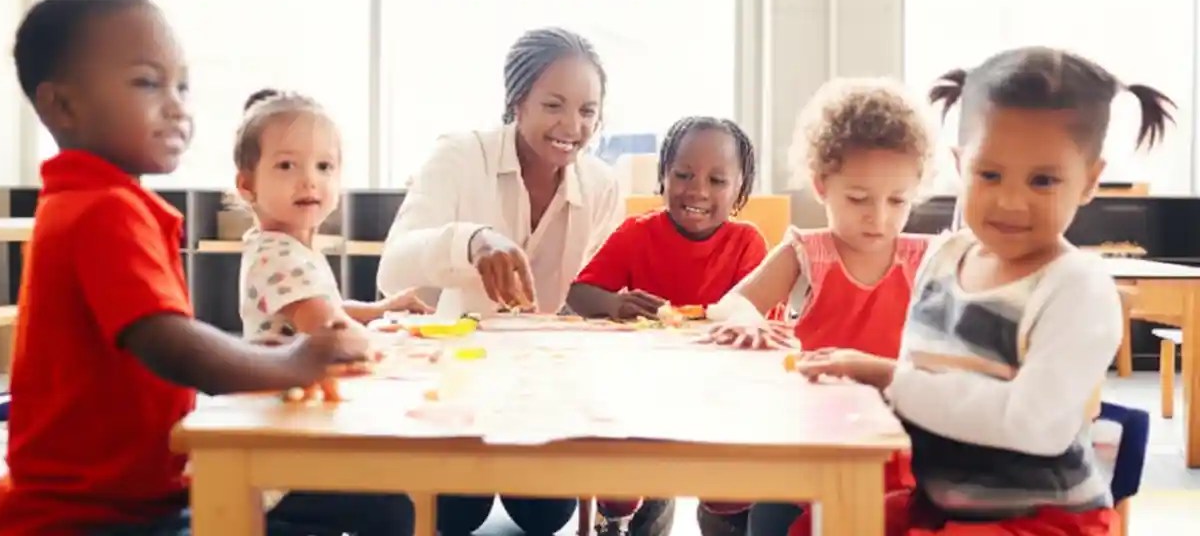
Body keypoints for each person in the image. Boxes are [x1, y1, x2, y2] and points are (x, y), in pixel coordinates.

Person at [0, 0, 414, 536]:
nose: (176, 106)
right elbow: (170, 344)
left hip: (141, 495)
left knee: (375, 508)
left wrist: (269, 356)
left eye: (181, 85)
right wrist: (296, 361)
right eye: (147, 82)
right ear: (63, 105)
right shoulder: (102, 210)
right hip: (91, 518)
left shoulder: (99, 201)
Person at [794, 47, 1174, 536]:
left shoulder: (1075, 287)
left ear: (1089, 181)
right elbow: (922, 388)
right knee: (818, 524)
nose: (1011, 200)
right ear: (960, 165)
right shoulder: (945, 257)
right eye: (989, 174)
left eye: (1043, 180)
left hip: (1039, 520)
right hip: (940, 502)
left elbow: (1032, 425)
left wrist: (884, 377)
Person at [377, 27, 623, 534]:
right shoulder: (460, 157)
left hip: (544, 387)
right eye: (553, 105)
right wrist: (472, 241)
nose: (571, 126)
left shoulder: (600, 185)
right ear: (518, 102)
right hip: (457, 378)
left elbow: (589, 292)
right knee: (453, 514)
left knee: (546, 515)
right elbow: (393, 269)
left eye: (587, 111)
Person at [704, 78, 938, 536]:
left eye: (898, 201)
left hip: (895, 450)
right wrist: (749, 320)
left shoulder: (928, 259)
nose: (879, 217)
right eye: (858, 198)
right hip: (804, 446)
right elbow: (731, 304)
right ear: (821, 185)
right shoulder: (807, 252)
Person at [567, 115, 764, 536]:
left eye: (717, 180)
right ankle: (619, 519)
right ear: (663, 177)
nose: (697, 190)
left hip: (720, 392)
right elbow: (579, 293)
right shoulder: (637, 233)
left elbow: (758, 317)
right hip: (642, 388)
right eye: (683, 174)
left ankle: (722, 519)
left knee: (727, 491)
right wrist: (616, 304)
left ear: (740, 190)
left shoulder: (747, 243)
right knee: (633, 479)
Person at [234, 88, 430, 350]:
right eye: (286, 165)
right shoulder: (277, 257)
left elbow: (326, 308)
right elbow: (330, 329)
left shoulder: (289, 248)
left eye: (324, 167)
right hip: (287, 389)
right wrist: (400, 342)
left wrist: (380, 309)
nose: (310, 180)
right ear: (247, 185)